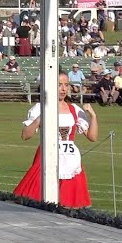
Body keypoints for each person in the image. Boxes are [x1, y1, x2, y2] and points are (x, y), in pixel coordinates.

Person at [14, 73, 99, 207]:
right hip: (47, 155)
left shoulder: (74, 109)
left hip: (70, 159)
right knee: (37, 198)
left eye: (66, 85)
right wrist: (40, 118)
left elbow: (92, 137)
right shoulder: (39, 108)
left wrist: (93, 116)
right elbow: (25, 135)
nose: (63, 89)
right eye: (59, 85)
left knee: (68, 202)